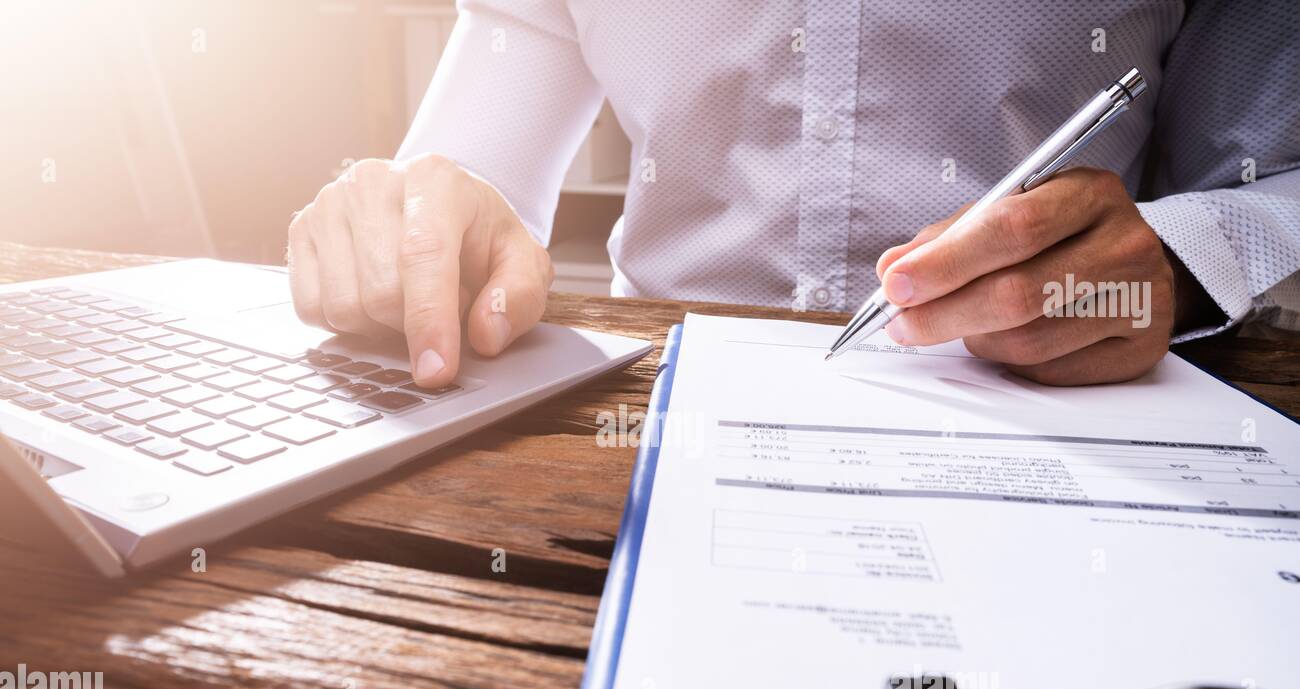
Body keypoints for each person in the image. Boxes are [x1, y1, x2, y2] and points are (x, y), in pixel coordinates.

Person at [287, 1, 1300, 389]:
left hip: (1057, 415)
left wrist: (1172, 258)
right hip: (647, 423)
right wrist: (414, 222)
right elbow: (470, 175)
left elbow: (1270, 188)